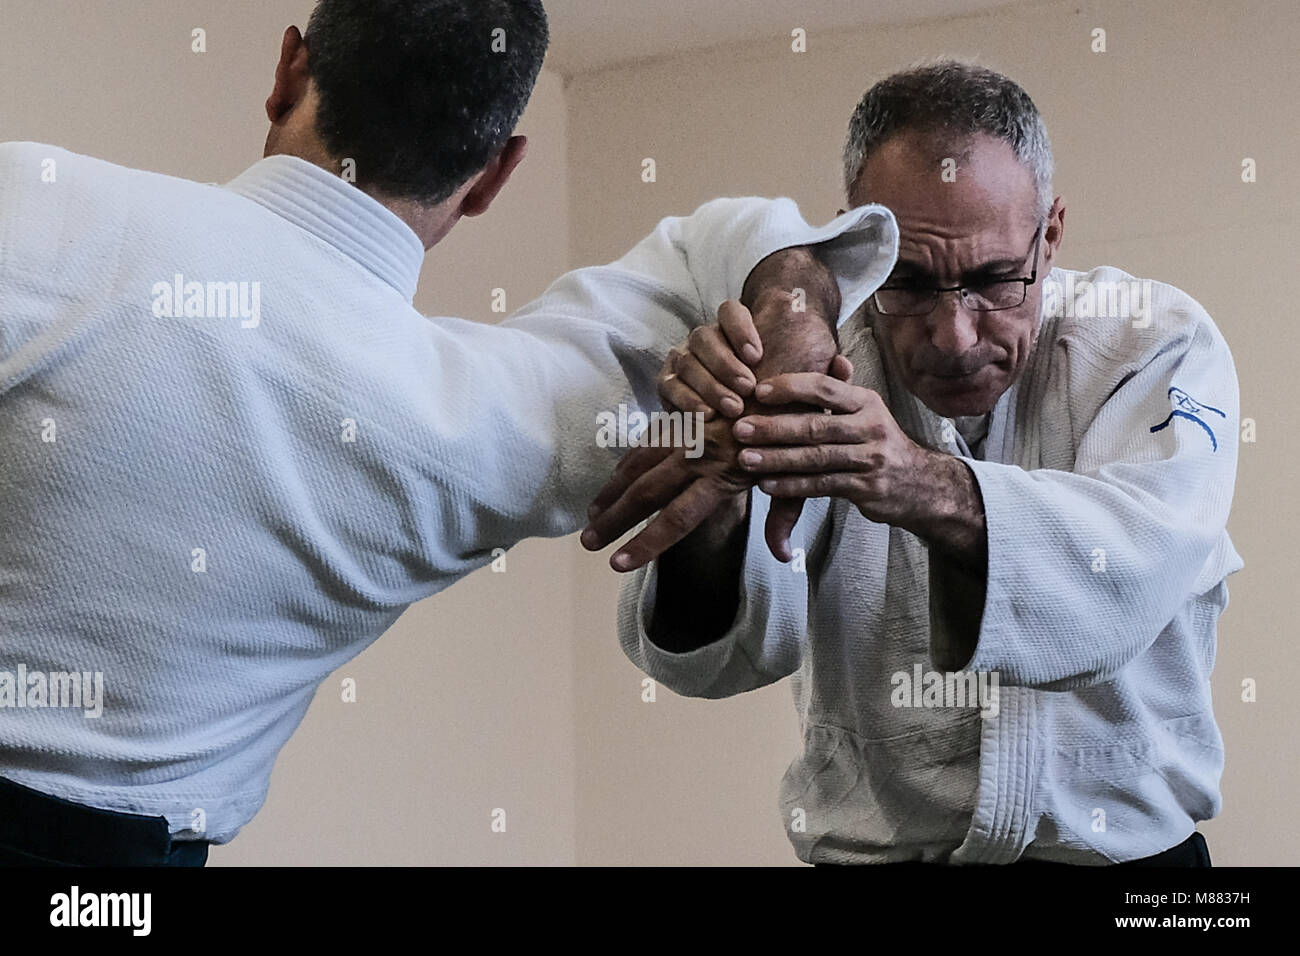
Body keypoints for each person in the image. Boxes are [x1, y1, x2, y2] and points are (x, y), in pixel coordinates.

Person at [0, 0, 898, 866]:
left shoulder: (43, 211)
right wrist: (790, 313)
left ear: (287, 72)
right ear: (495, 177)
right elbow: (719, 240)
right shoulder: (487, 421)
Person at [586, 60, 1242, 866]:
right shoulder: (813, 367)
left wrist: (913, 481)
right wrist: (721, 495)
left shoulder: (1154, 342)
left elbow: (1132, 579)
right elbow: (721, 661)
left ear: (1052, 233)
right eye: (909, 283)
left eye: (996, 280)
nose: (954, 335)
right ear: (863, 240)